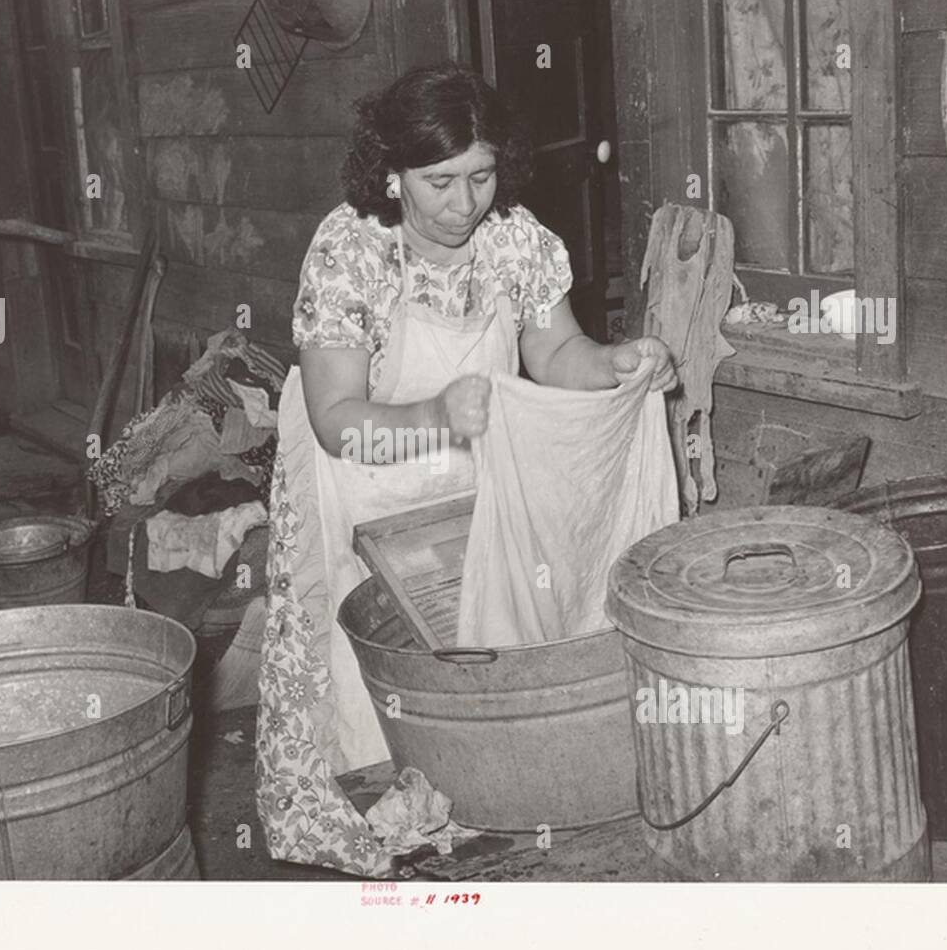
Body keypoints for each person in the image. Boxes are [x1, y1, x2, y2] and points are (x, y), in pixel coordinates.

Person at [255, 63, 676, 876]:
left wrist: (620, 361)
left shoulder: (515, 240)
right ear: (391, 172)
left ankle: (481, 814)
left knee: (467, 657)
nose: (462, 203)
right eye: (437, 181)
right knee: (366, 690)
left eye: (481, 177)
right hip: (363, 485)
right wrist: (433, 419)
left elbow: (556, 351)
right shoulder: (350, 250)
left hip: (469, 484)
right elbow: (337, 419)